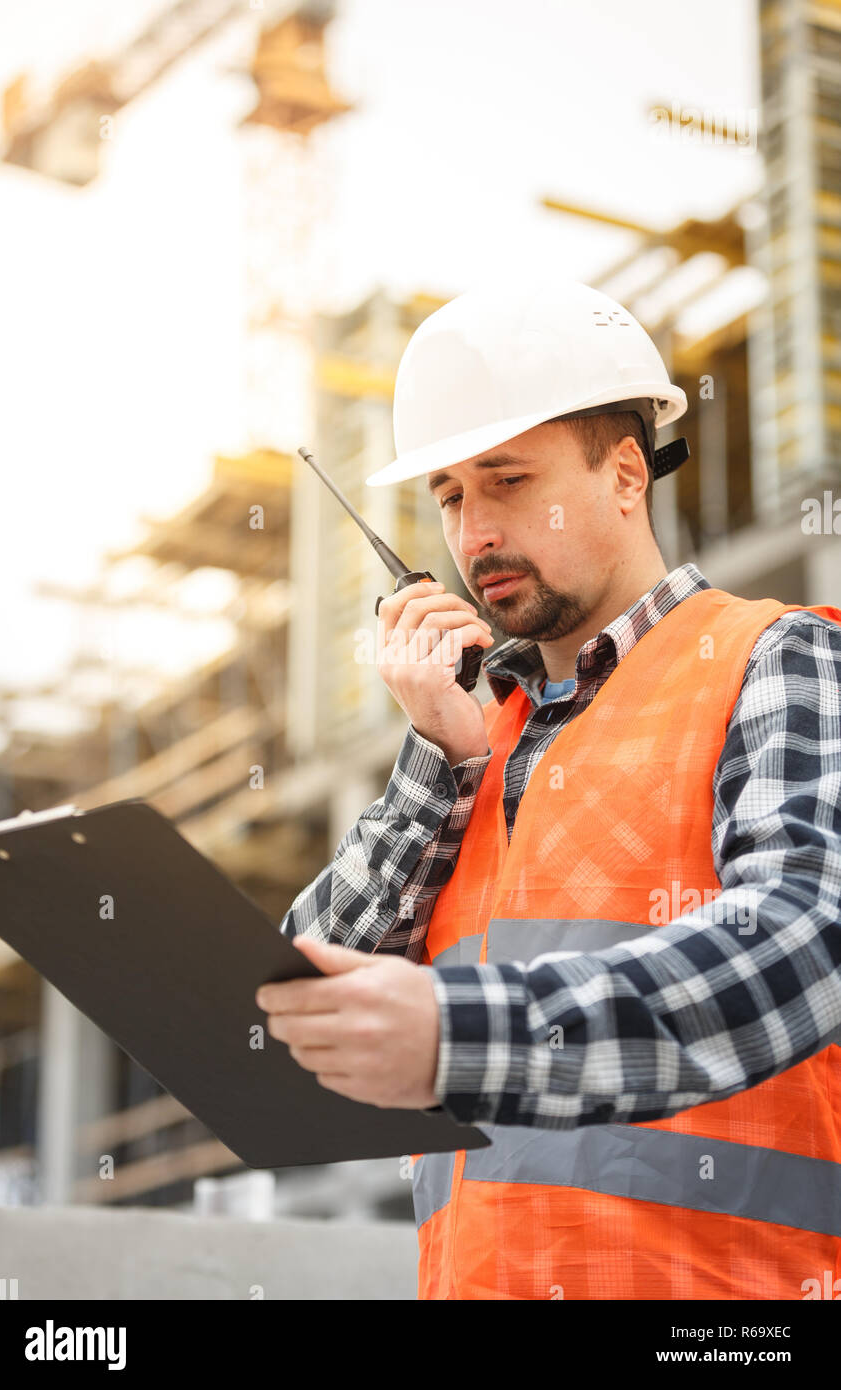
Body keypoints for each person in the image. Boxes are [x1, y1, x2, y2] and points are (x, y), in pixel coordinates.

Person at [256, 279, 841, 1300]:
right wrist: (434, 765)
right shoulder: (472, 743)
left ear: (622, 475)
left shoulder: (772, 658)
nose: (472, 531)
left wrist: (463, 1034)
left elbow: (804, 935)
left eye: (508, 481)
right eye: (447, 495)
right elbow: (287, 1018)